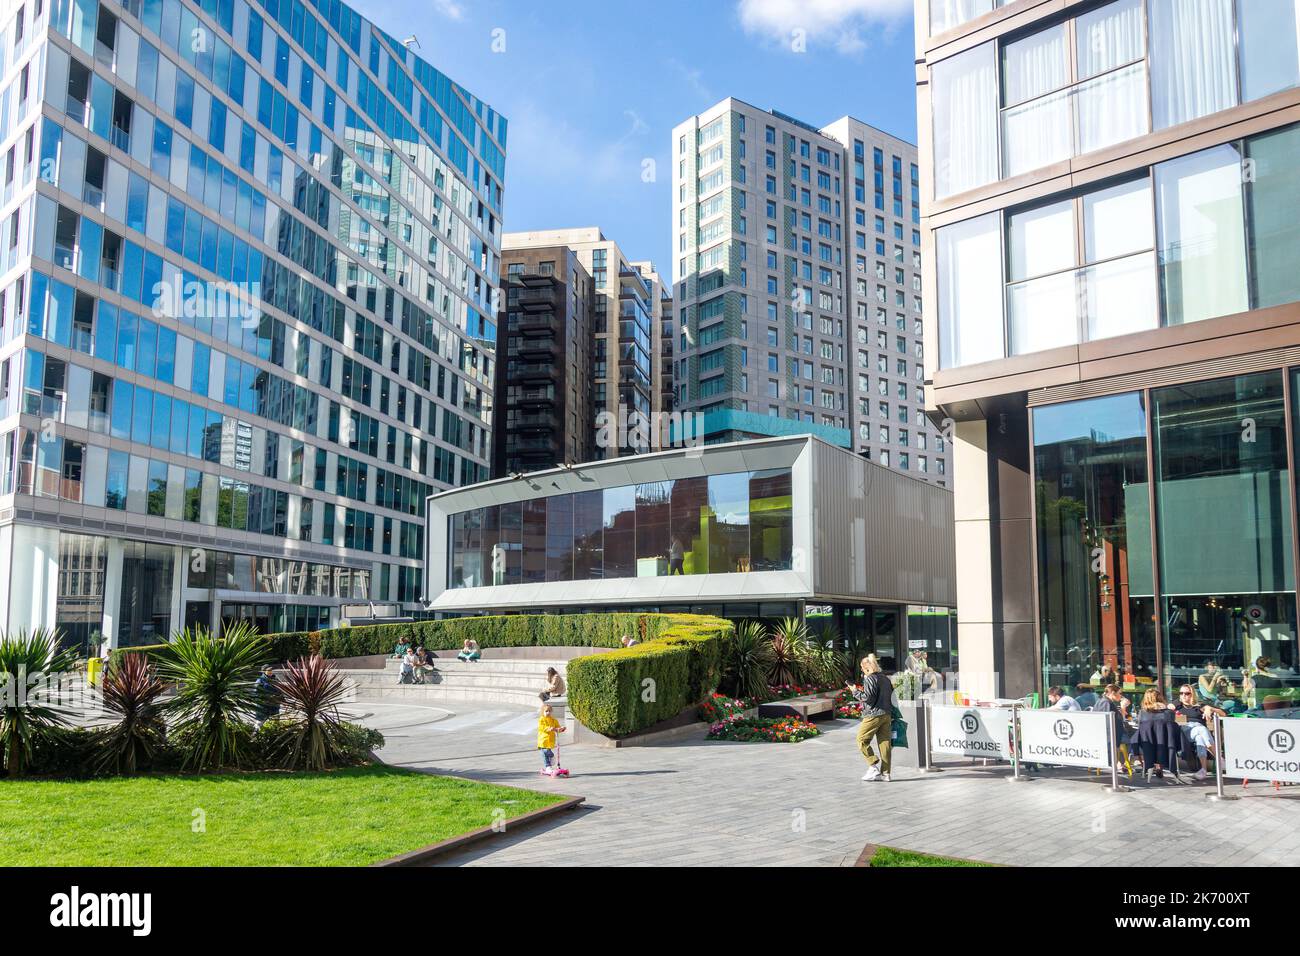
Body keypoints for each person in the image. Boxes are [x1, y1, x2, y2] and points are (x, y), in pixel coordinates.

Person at [848, 653, 894, 782]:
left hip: (873, 715)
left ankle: (872, 765)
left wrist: (855, 691)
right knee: (885, 744)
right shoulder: (885, 678)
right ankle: (886, 774)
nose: (862, 671)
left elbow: (868, 698)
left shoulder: (870, 678)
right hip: (886, 714)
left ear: (866, 668)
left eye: (862, 668)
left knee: (861, 739)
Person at [1172, 684, 1225, 781]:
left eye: (1187, 693)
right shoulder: (1177, 705)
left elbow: (1223, 714)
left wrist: (1210, 708)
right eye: (1181, 693)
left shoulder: (1199, 706)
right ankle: (1219, 758)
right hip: (1185, 733)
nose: (1183, 695)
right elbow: (1168, 707)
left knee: (1200, 737)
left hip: (1199, 734)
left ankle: (1203, 770)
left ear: (1192, 694)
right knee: (1201, 729)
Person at [1132, 688, 1180, 782]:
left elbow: (1140, 727)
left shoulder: (1143, 713)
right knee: (1165, 737)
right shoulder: (1169, 713)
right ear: (1160, 698)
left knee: (1137, 738)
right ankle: (1160, 767)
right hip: (1167, 745)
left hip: (1148, 745)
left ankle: (1144, 764)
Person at [537, 702, 565, 775]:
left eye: (549, 711)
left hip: (550, 740)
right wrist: (549, 728)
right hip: (543, 740)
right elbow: (541, 727)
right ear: (543, 712)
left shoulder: (553, 720)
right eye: (546, 711)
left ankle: (548, 766)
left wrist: (561, 729)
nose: (548, 712)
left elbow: (557, 727)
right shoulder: (541, 719)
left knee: (546, 753)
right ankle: (549, 763)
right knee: (545, 752)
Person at [253, 665, 280, 729]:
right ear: (264, 671)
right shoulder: (260, 680)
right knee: (259, 724)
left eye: (271, 670)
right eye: (268, 670)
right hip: (263, 707)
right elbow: (256, 693)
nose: (270, 672)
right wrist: (267, 697)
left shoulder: (275, 679)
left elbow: (280, 691)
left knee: (275, 724)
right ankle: (255, 737)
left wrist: (280, 698)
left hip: (274, 706)